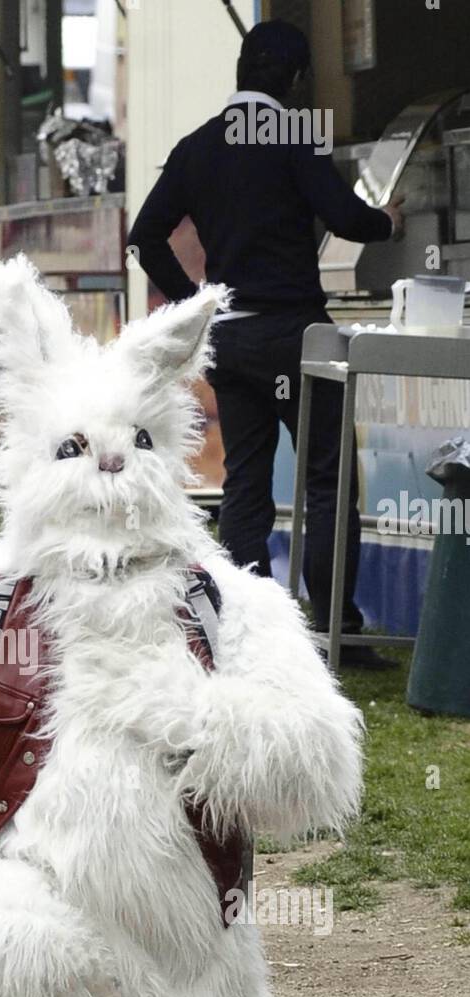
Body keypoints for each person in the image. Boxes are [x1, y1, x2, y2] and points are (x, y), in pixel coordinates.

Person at [127, 19, 404, 668]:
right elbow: (343, 217)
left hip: (229, 337)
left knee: (245, 482)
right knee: (327, 479)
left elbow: (145, 236)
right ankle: (338, 628)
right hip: (296, 336)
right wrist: (384, 224)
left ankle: (242, 631)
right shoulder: (291, 137)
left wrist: (196, 305)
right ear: (297, 79)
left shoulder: (197, 145)